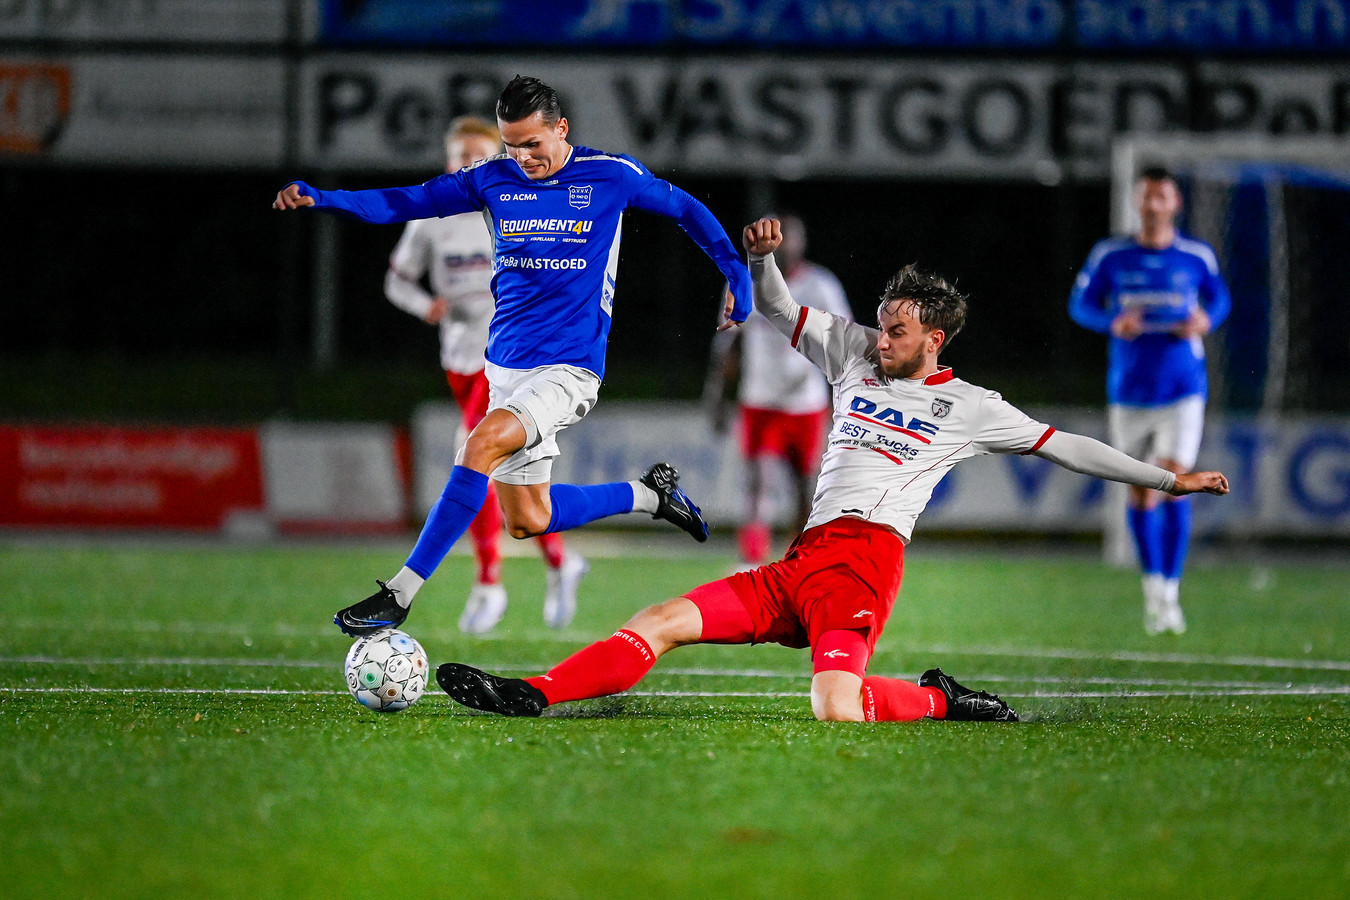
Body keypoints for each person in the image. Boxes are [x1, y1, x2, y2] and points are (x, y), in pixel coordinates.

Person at [434, 217, 1231, 723]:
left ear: (934, 339)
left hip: (863, 568)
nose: (879, 341)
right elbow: (778, 310)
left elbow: (1064, 445)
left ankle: (939, 701)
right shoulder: (854, 353)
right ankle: (535, 692)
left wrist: (1166, 480)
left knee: (836, 710)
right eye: (880, 327)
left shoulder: (974, 406)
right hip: (803, 559)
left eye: (896, 332)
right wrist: (761, 260)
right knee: (663, 618)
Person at [274, 75, 752, 637]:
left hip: (569, 369)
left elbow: (687, 209)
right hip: (505, 366)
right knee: (529, 519)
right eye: (510, 145)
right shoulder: (491, 180)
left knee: (478, 443)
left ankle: (399, 594)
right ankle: (650, 495)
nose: (522, 157)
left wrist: (736, 271)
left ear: (561, 128)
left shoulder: (610, 175)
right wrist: (326, 198)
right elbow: (407, 201)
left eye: (533, 144)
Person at [384, 116, 587, 634]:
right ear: (448, 162)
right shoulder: (431, 217)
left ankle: (489, 582)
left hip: (508, 359)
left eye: (482, 155)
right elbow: (397, 280)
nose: (472, 164)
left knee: (473, 458)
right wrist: (425, 304)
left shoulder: (517, 205)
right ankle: (561, 563)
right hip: (458, 358)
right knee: (510, 473)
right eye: (462, 156)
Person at [1068, 165, 1232, 635]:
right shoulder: (1111, 254)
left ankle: (1171, 590)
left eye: (1161, 196)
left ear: (1175, 202)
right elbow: (1080, 305)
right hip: (1129, 391)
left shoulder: (1196, 255)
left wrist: (1205, 321)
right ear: (1136, 202)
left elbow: (1219, 301)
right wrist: (1111, 323)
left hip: (1182, 389)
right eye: (1146, 197)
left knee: (1177, 478)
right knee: (1141, 489)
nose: (1153, 205)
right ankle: (1152, 586)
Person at [707, 213, 853, 567]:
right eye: (779, 239)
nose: (785, 246)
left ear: (802, 244)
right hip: (760, 400)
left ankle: (798, 561)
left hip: (805, 404)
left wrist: (843, 400)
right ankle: (752, 560)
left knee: (806, 487)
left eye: (792, 239)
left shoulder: (820, 286)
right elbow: (727, 348)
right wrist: (716, 397)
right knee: (757, 483)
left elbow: (845, 346)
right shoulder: (743, 283)